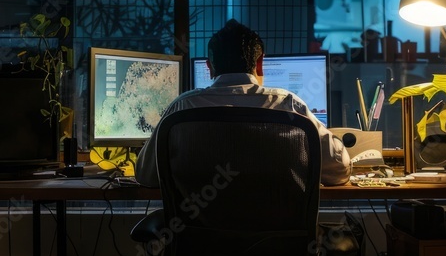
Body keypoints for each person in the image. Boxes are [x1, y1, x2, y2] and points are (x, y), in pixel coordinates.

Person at [136, 20, 351, 186]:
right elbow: (339, 169)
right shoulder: (289, 107)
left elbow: (146, 175)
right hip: (278, 241)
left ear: (209, 67)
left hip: (200, 241)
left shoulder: (183, 108)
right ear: (260, 64)